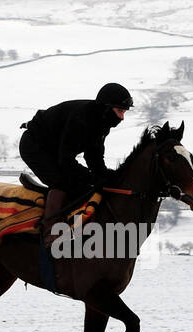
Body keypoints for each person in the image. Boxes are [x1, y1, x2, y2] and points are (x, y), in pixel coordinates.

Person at [19, 83, 133, 241]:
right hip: (34, 146)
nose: (122, 118)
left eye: (124, 112)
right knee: (63, 182)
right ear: (106, 107)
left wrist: (106, 176)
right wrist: (93, 178)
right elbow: (65, 161)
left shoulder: (102, 122)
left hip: (53, 148)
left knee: (83, 183)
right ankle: (50, 232)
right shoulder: (81, 119)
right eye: (120, 111)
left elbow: (94, 157)